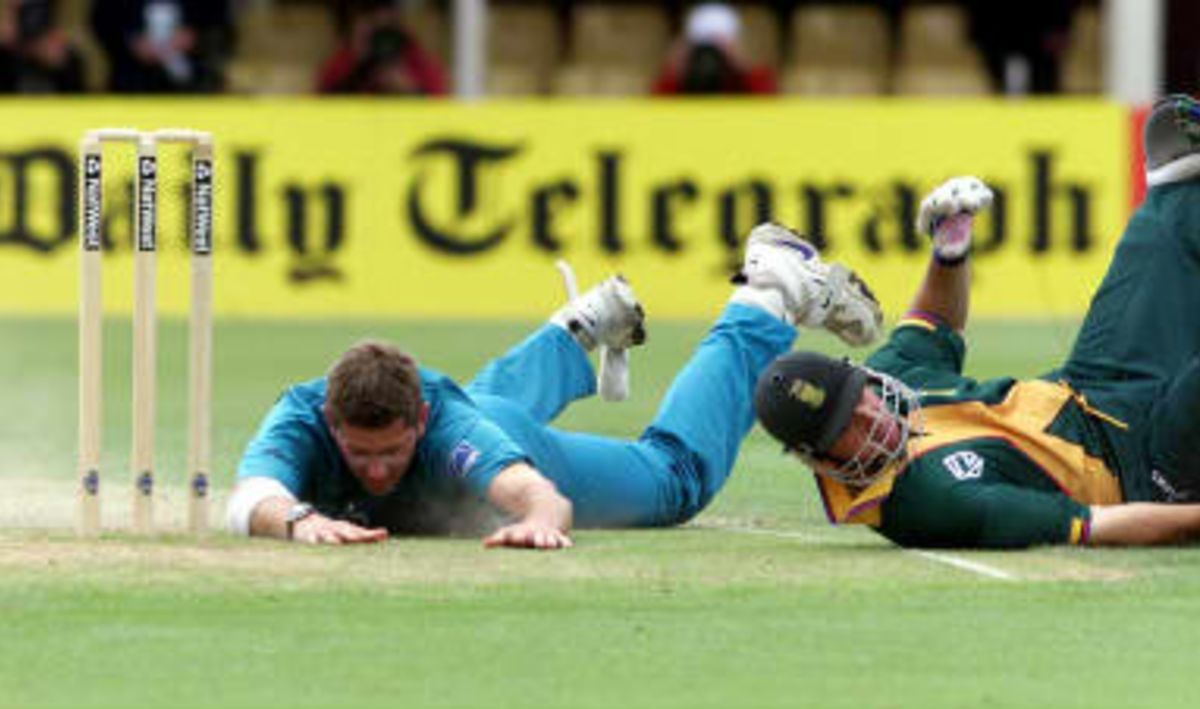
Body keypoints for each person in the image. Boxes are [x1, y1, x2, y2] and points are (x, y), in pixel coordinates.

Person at [226, 225, 883, 548]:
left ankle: (769, 294)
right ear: (331, 422)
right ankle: (583, 325)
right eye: (358, 452)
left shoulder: (454, 433)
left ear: (419, 422)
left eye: (390, 452)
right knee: (480, 395)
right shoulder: (301, 412)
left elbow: (537, 493)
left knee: (676, 476)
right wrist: (298, 520)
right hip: (478, 403)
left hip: (508, 434)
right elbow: (250, 494)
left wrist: (537, 522)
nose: (374, 470)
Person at [754, 93, 1200, 549]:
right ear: (818, 460)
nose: (870, 415)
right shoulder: (930, 503)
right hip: (1145, 471)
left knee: (1171, 205)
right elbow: (1096, 524)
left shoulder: (888, 382)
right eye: (846, 427)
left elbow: (932, 322)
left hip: (1094, 386)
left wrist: (949, 253)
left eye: (858, 397)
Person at [89, 0, 233, 93]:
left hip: (195, 77)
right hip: (132, 76)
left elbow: (222, 26)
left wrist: (195, 37)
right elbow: (102, 21)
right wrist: (131, 42)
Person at [317, 0, 446, 96]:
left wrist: (409, 90)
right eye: (371, 16)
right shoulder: (343, 61)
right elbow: (321, 109)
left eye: (387, 19)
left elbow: (440, 109)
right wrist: (358, 70)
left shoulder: (417, 59)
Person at [652, 3, 776, 96]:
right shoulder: (679, 78)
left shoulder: (748, 78)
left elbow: (770, 104)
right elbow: (654, 107)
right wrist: (677, 68)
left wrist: (740, 66)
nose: (709, 57)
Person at [0, 0, 85, 93]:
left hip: (46, 44)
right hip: (19, 49)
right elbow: (6, 34)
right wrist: (34, 47)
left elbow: (68, 25)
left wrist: (57, 39)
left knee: (71, 56)